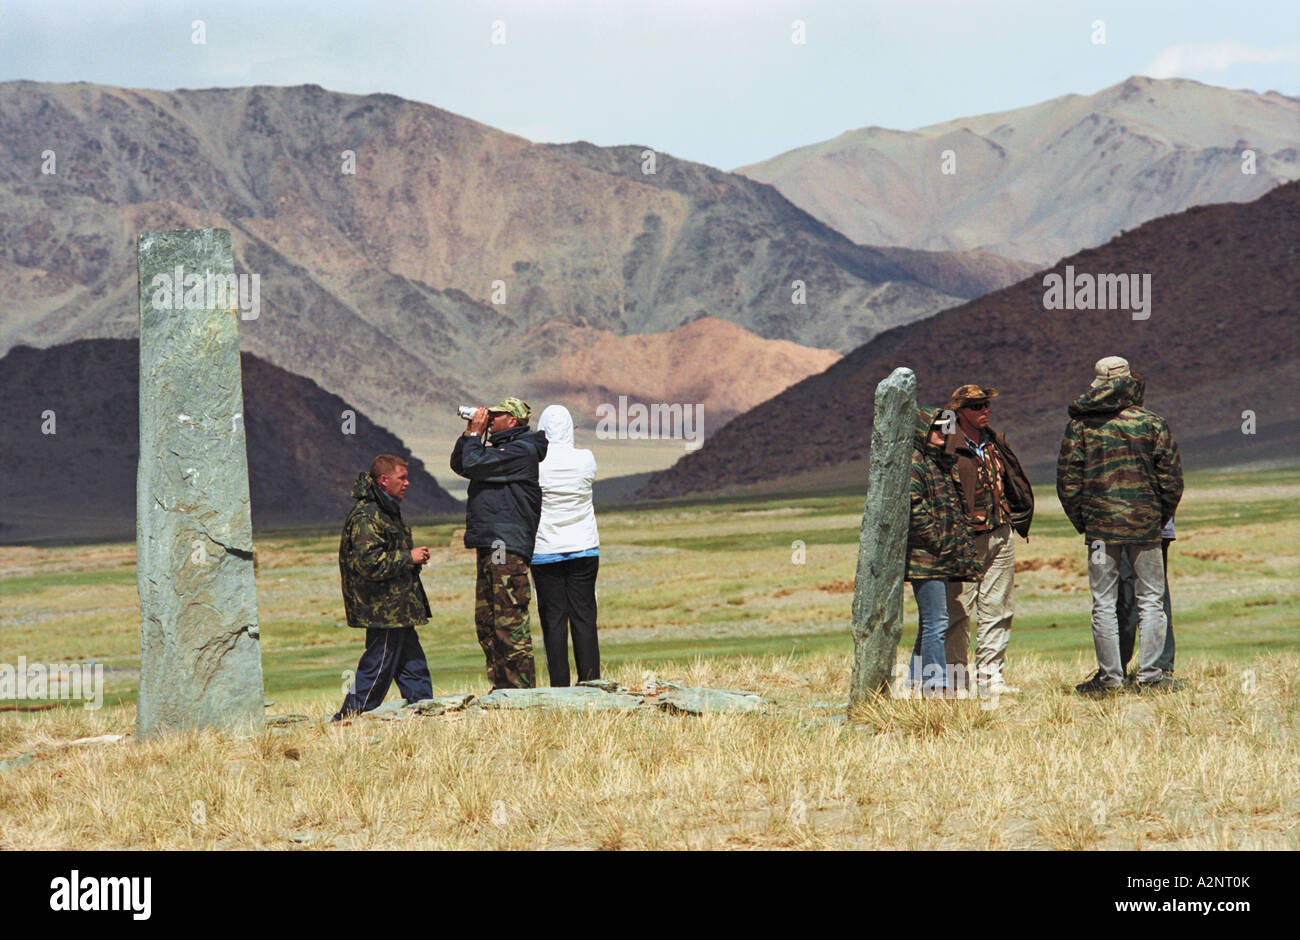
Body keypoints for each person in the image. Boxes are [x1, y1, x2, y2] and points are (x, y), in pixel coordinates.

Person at [1056, 357, 1183, 695]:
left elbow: (1068, 481)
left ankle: (1110, 678)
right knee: (1152, 600)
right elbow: (1171, 479)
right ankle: (1152, 676)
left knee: (1103, 601)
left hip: (1100, 531)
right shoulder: (1152, 423)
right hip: (1145, 529)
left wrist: (1084, 521)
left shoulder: (1081, 426)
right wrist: (1157, 517)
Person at [942, 385, 1035, 697]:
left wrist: (1017, 514)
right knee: (958, 612)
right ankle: (956, 681)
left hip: (1000, 533)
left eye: (986, 405)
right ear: (960, 412)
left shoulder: (995, 441)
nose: (985, 411)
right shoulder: (948, 446)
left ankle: (991, 679)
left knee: (998, 607)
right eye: (976, 406)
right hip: (964, 539)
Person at [451, 397, 549, 690]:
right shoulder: (499, 450)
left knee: (508, 619)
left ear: (514, 420)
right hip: (491, 544)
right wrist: (470, 434)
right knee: (488, 619)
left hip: (505, 547)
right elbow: (461, 464)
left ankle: (521, 691)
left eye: (497, 415)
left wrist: (473, 437)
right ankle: (501, 688)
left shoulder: (521, 451)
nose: (490, 418)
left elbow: (473, 463)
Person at [332, 455, 433, 721]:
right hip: (382, 608)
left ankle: (424, 711)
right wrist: (408, 557)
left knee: (412, 664)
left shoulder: (386, 510)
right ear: (384, 480)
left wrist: (409, 559)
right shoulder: (368, 516)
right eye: (402, 478)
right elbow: (368, 564)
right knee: (378, 664)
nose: (407, 483)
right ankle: (351, 717)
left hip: (397, 608)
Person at [906, 407, 981, 697]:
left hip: (940, 556)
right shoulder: (916, 464)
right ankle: (935, 688)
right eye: (936, 427)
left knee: (930, 623)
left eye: (945, 427)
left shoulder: (941, 462)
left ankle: (915, 684)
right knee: (937, 622)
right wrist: (939, 541)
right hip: (926, 558)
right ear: (922, 428)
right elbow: (915, 509)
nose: (942, 432)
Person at [531, 405, 602, 687]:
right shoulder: (586, 458)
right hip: (584, 545)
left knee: (553, 620)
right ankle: (591, 681)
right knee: (584, 616)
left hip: (545, 548)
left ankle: (559, 685)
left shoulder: (535, 463)